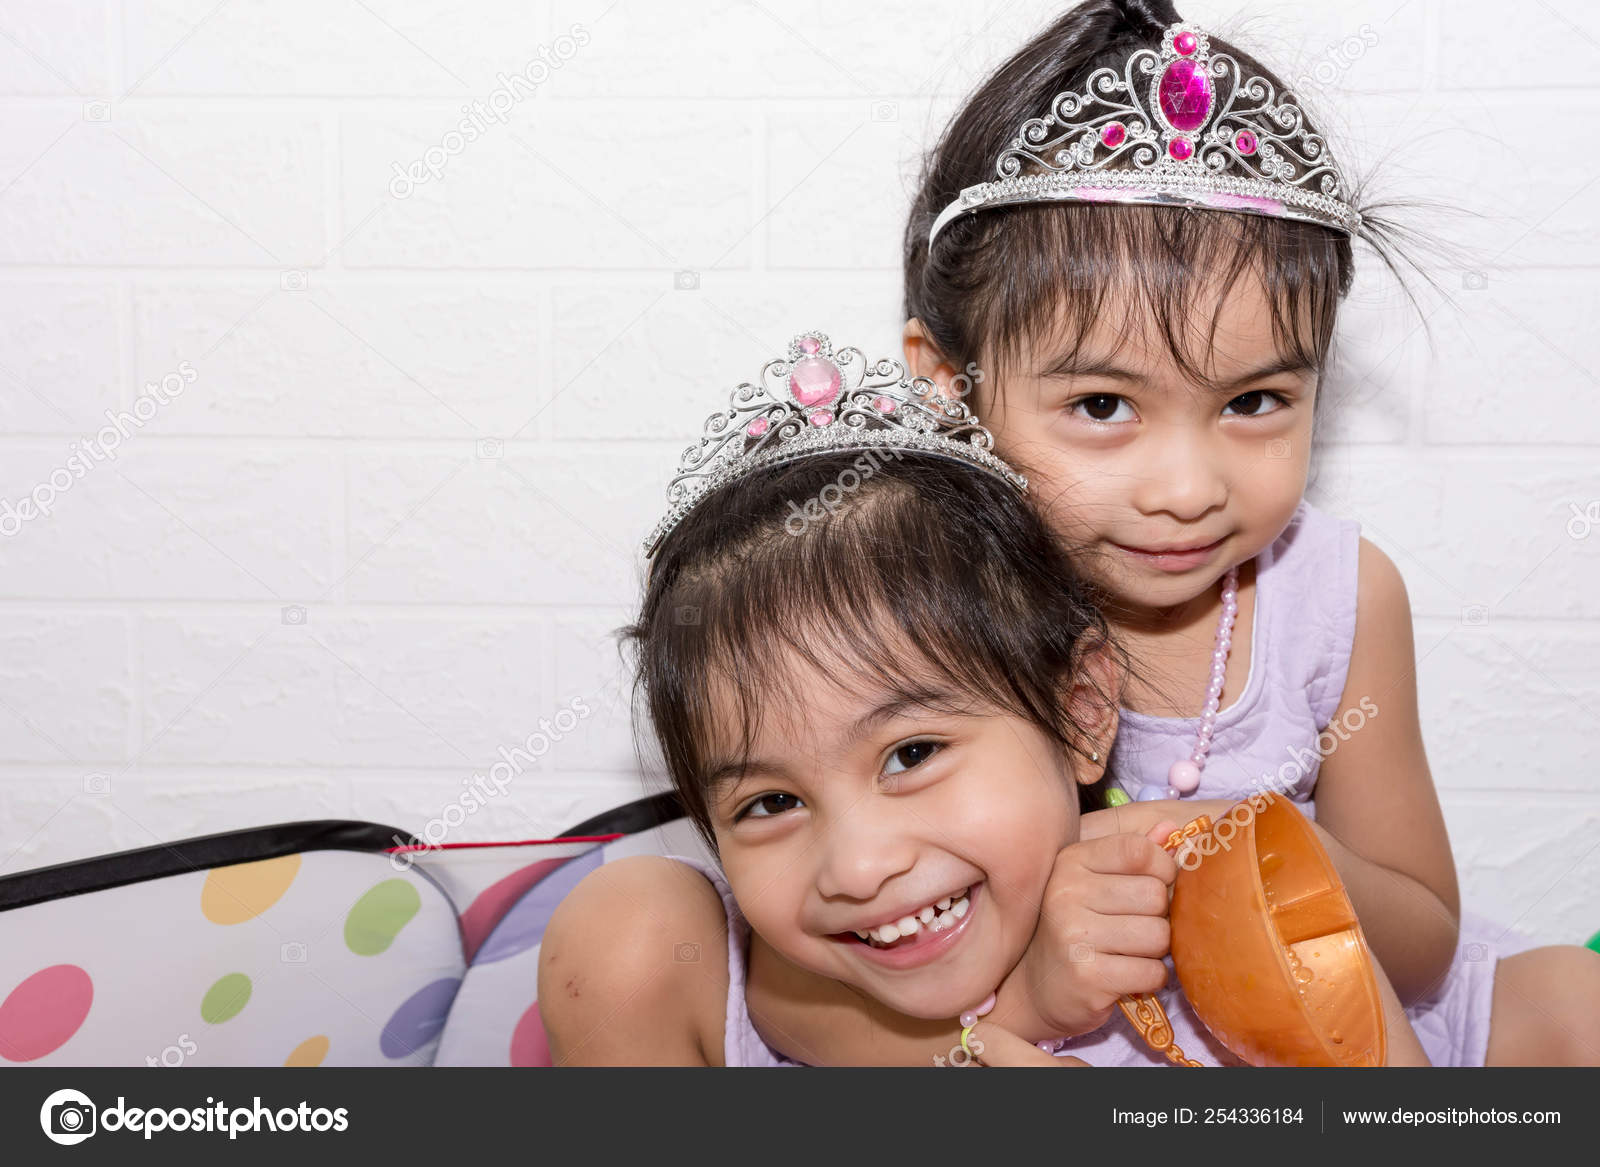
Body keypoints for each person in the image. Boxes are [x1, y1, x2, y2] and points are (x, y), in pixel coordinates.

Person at [742, 1, 1600, 1066]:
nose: (1188, 490)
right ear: (949, 386)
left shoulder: (1336, 594)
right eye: (1103, 406)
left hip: (1309, 1016)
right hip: (1030, 1035)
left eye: (1253, 402)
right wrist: (1023, 1002)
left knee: (1574, 998)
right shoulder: (901, 607)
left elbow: (1423, 947)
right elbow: (786, 995)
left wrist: (1272, 854)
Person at [536, 331, 1428, 1066]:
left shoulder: (1186, 889)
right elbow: (773, 990)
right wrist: (1020, 1010)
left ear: (1082, 711)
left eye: (911, 753)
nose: (857, 865)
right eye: (770, 802)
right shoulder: (758, 972)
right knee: (617, 916)